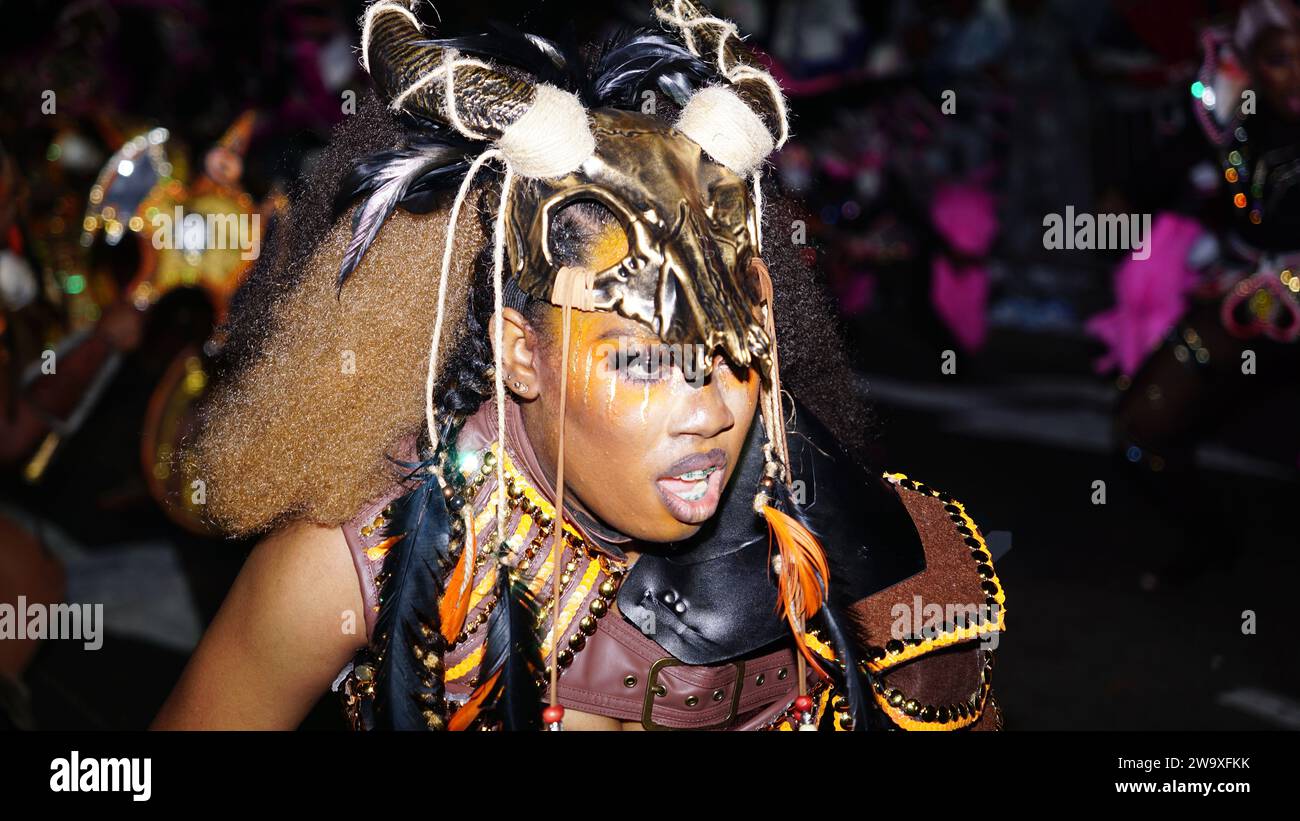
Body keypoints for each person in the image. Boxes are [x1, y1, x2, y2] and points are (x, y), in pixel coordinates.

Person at [153, 0, 1005, 732]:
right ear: (521, 351)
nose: (710, 408)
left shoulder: (859, 553)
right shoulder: (357, 556)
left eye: (730, 347)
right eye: (642, 360)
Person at [1113, 0, 1300, 585]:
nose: (1298, 75)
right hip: (1246, 297)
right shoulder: (1229, 117)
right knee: (1142, 426)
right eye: (1280, 60)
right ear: (1251, 63)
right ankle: (1211, 540)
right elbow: (1144, 181)